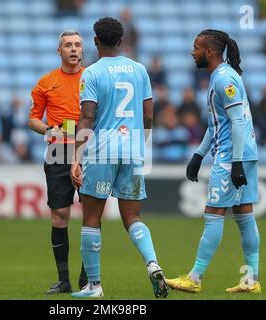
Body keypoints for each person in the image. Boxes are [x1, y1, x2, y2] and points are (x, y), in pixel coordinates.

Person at [70, 17, 169, 298]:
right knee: (133, 217)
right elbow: (149, 114)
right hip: (133, 151)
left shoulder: (91, 73)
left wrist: (75, 158)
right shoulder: (140, 70)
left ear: (96, 41)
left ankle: (94, 286)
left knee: (91, 217)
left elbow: (87, 117)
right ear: (122, 40)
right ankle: (153, 264)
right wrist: (141, 143)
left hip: (102, 152)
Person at [167, 30, 261, 294]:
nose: (192, 52)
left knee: (213, 213)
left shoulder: (224, 80)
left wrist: (237, 162)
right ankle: (251, 280)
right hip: (243, 153)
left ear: (209, 52)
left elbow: (239, 122)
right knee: (244, 215)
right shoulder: (223, 76)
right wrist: (198, 154)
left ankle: (194, 278)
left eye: (196, 47)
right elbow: (218, 123)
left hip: (232, 156)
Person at [28, 30, 87, 294]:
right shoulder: (45, 82)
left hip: (88, 150)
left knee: (92, 215)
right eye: (68, 45)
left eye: (77, 45)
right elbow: (33, 119)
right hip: (58, 153)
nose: (73, 49)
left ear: (82, 50)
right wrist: (48, 130)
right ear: (59, 51)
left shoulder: (92, 78)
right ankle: (64, 280)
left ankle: (89, 279)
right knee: (59, 215)